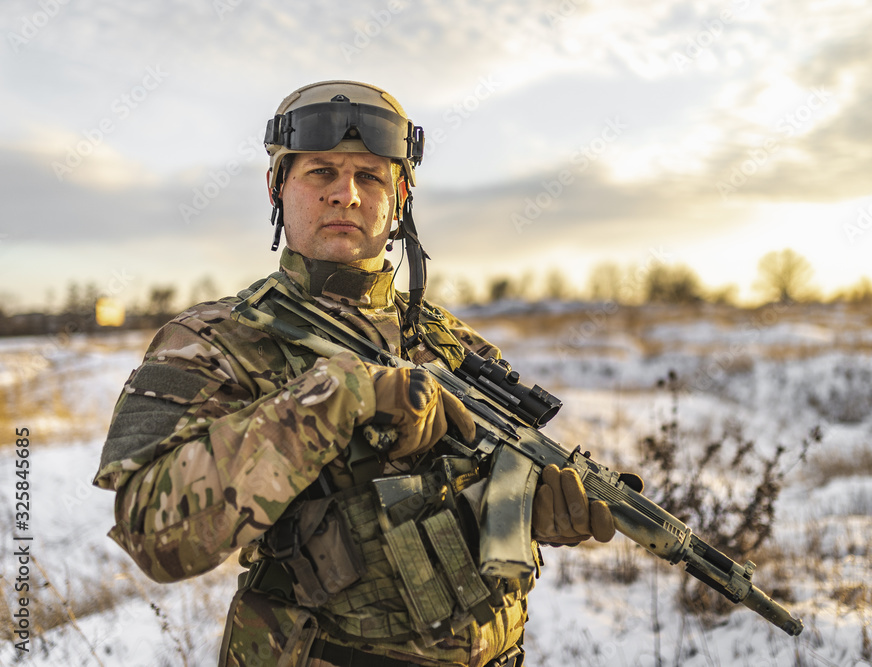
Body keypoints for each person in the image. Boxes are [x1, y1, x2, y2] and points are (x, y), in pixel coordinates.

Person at [93, 80, 616, 667]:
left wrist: (528, 509)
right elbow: (153, 537)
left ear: (400, 198)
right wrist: (336, 398)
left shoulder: (451, 344)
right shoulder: (215, 340)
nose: (346, 194)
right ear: (277, 187)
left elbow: (471, 500)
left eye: (370, 176)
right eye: (320, 173)